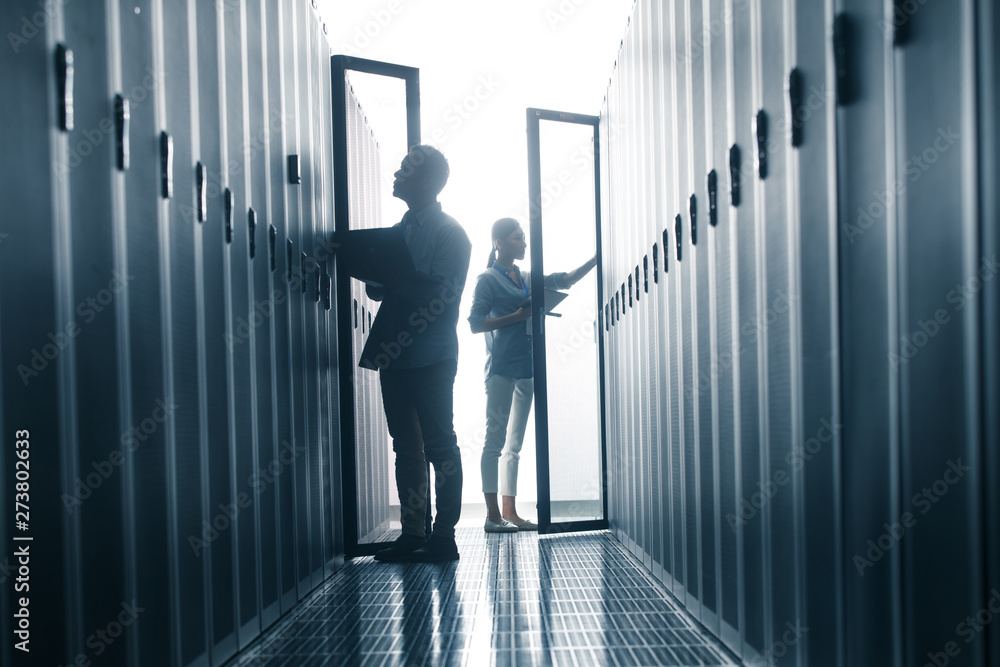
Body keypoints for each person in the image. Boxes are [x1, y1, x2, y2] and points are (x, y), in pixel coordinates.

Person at [356, 145, 472, 562]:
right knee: (405, 446)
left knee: (440, 445)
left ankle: (444, 537)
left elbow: (443, 294)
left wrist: (396, 278)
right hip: (395, 351)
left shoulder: (450, 232)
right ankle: (413, 533)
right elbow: (379, 289)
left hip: (433, 353)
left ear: (426, 181)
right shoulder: (400, 230)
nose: (397, 173)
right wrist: (376, 273)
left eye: (406, 169)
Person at [467, 218, 596, 533]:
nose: (524, 243)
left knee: (515, 445)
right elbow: (475, 323)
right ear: (499, 243)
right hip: (501, 368)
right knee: (494, 443)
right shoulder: (487, 279)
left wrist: (596, 258)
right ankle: (491, 515)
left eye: (524, 238)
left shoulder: (524, 277)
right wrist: (517, 315)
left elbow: (564, 279)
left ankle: (510, 511)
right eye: (517, 238)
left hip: (527, 367)